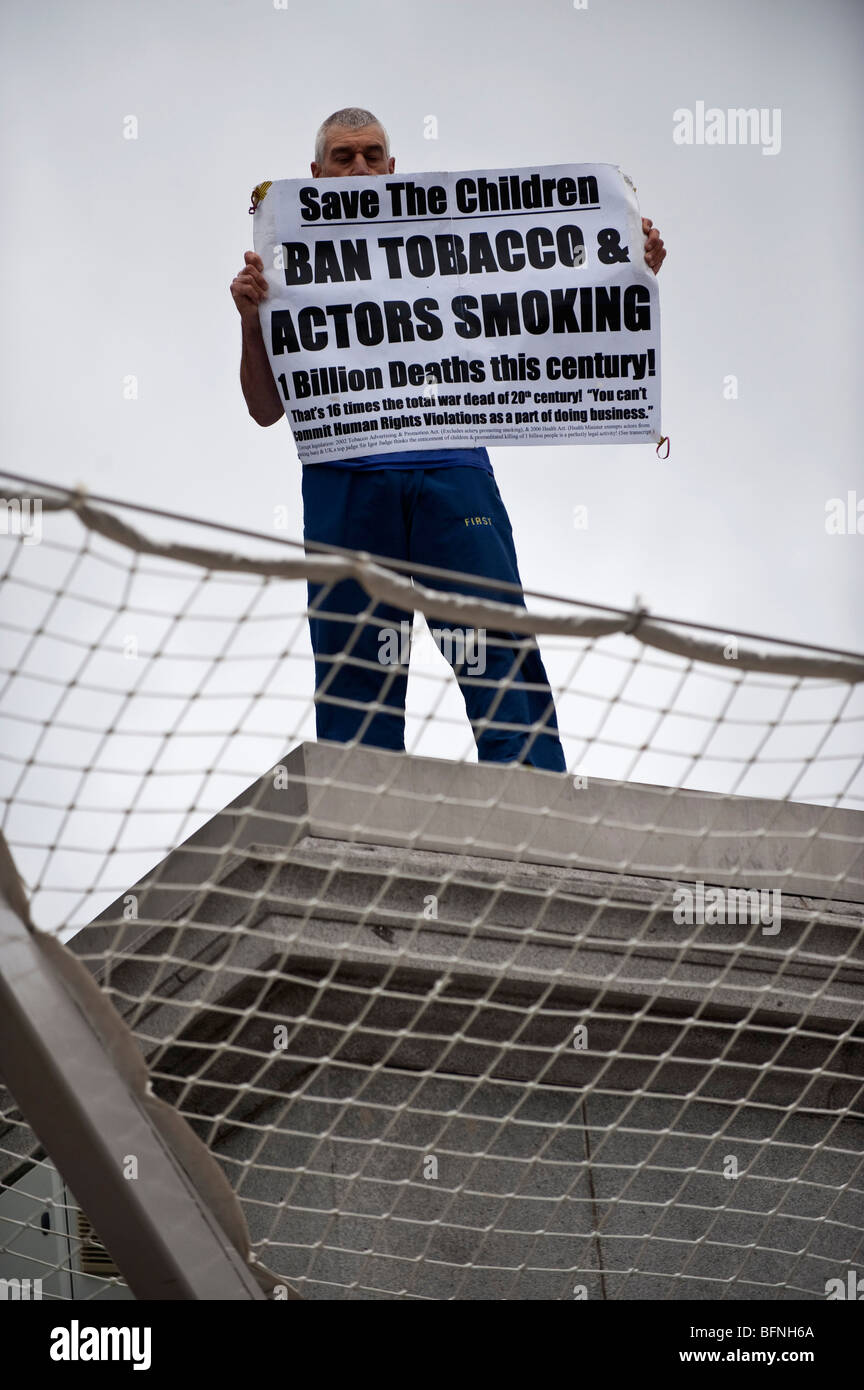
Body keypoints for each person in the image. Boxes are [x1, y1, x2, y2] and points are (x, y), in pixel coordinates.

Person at [230, 108, 666, 773]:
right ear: (316, 173)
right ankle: (363, 811)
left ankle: (529, 789)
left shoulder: (445, 240)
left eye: (372, 155)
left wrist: (622, 265)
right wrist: (251, 319)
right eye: (343, 158)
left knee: (493, 639)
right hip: (343, 479)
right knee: (356, 661)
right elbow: (264, 408)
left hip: (452, 468)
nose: (360, 168)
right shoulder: (283, 262)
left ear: (393, 168)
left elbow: (531, 295)